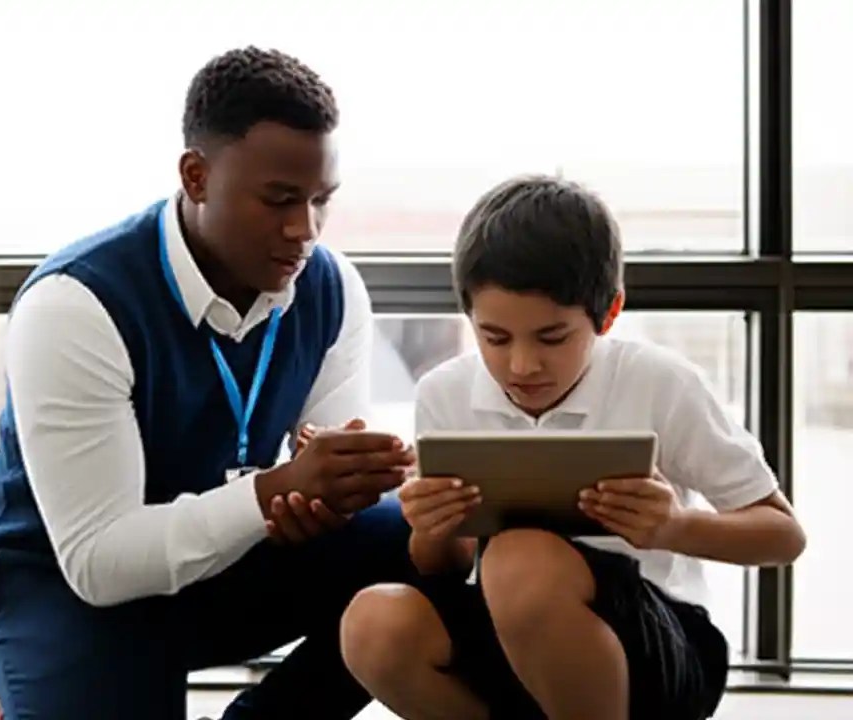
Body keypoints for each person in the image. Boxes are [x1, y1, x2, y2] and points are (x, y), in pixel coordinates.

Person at [0, 46, 422, 719]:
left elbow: (316, 484)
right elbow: (99, 560)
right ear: (197, 175)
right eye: (279, 200)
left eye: (321, 201)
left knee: (419, 541)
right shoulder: (74, 305)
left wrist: (334, 489)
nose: (305, 230)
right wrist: (274, 493)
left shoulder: (331, 289)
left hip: (226, 557)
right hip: (69, 584)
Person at [337, 174, 808, 720]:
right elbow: (446, 566)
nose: (522, 366)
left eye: (552, 338)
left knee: (520, 557)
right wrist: (431, 527)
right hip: (511, 630)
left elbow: (783, 537)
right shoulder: (445, 392)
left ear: (608, 314)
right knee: (372, 623)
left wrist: (674, 527)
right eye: (494, 338)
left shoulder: (660, 383)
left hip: (660, 649)